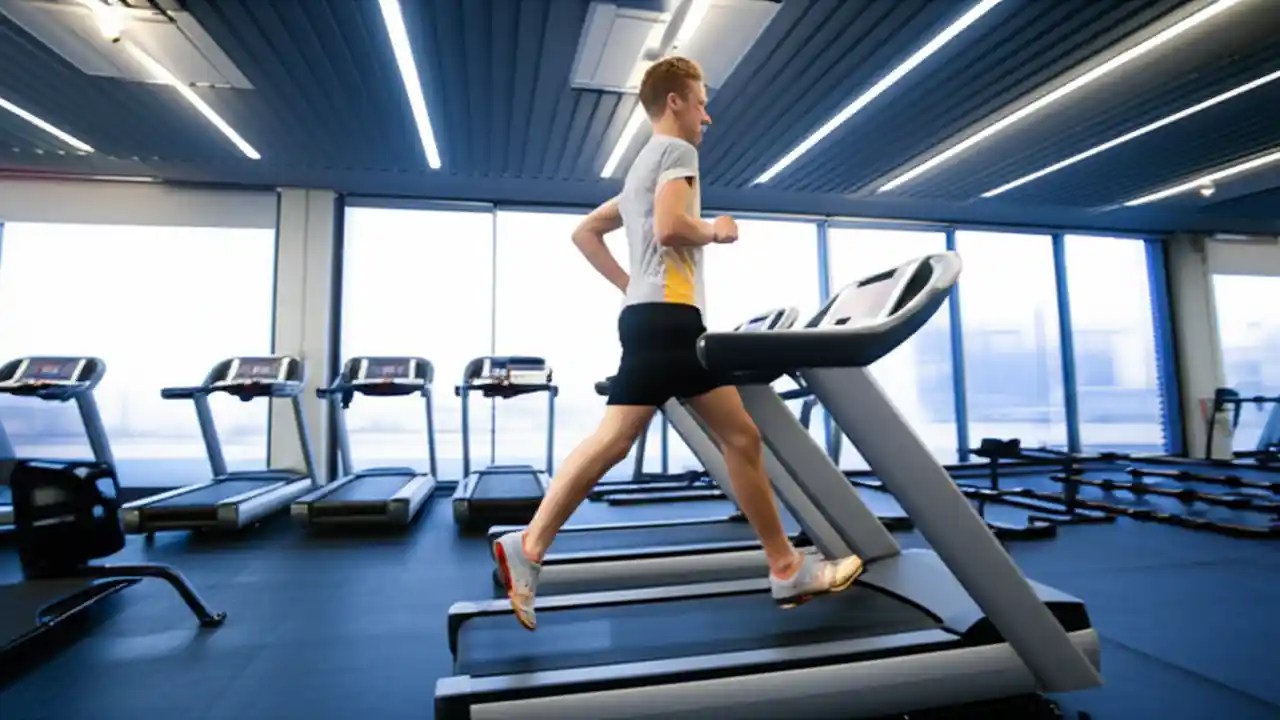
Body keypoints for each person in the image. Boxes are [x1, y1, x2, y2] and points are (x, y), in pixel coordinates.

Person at [492, 56, 863, 631]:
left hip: (651, 316)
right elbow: (669, 229)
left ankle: (783, 565)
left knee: (721, 435)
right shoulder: (676, 154)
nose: (706, 116)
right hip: (670, 321)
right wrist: (716, 229)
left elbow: (584, 232)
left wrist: (629, 286)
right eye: (701, 101)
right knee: (661, 438)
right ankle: (532, 545)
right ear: (675, 102)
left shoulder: (640, 169)